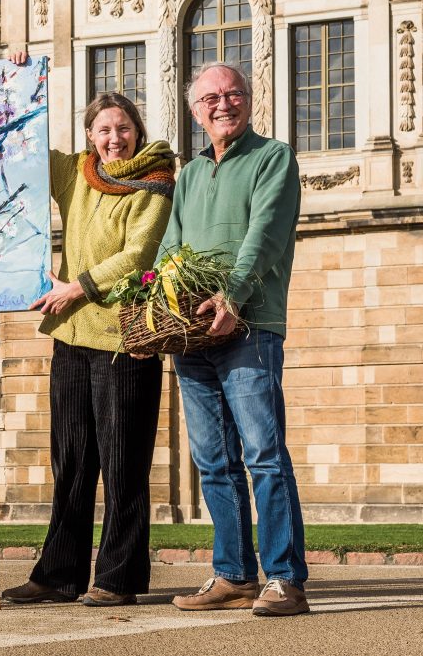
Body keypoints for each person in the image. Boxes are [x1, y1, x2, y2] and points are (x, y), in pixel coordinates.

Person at [0, 54, 175, 607]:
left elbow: (137, 254)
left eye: (123, 128)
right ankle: (59, 574)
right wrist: (18, 77)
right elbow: (20, 144)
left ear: (137, 131)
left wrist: (75, 287)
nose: (114, 138)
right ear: (90, 136)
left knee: (123, 464)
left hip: (126, 338)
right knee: (72, 460)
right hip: (72, 336)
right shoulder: (76, 174)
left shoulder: (155, 181)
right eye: (103, 130)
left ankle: (119, 578)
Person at [161, 62, 308, 617]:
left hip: (250, 325)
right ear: (195, 111)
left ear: (249, 100)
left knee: (264, 456)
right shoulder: (192, 174)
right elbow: (172, 246)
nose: (223, 104)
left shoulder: (273, 157)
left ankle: (286, 578)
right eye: (211, 99)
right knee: (213, 461)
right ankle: (233, 575)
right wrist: (161, 300)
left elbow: (265, 234)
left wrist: (232, 296)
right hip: (194, 333)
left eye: (233, 94)